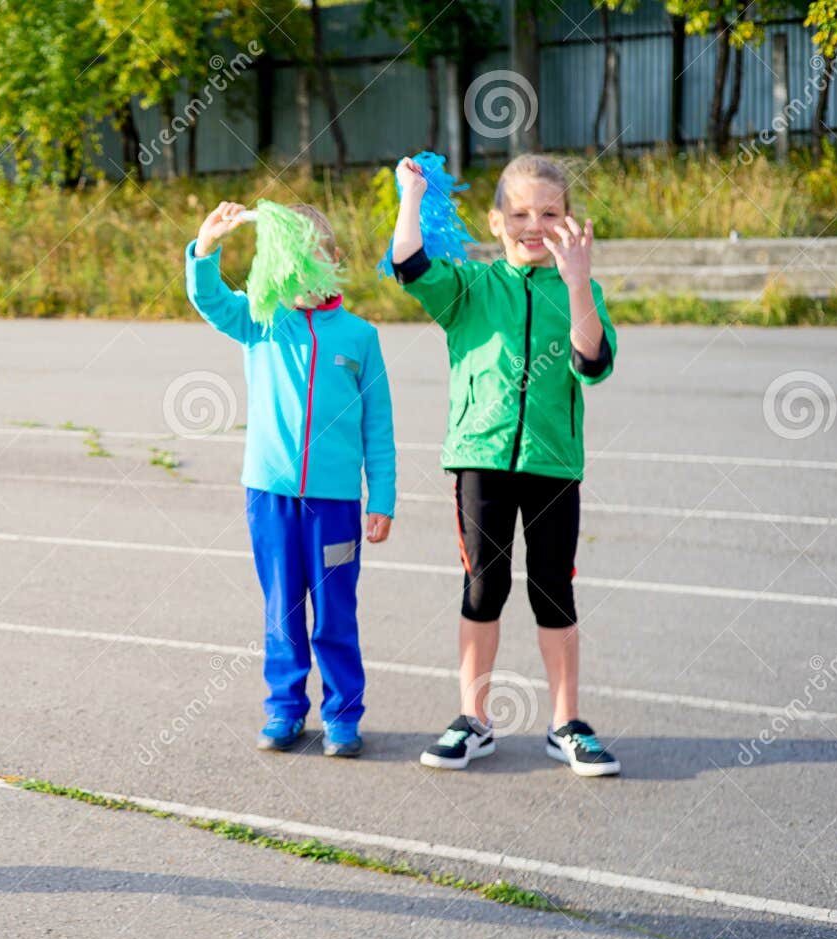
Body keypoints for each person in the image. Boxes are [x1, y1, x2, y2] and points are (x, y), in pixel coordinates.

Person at [388, 152, 621, 776]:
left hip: (552, 463)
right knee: (483, 585)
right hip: (479, 460)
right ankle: (473, 720)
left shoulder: (584, 289)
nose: (533, 224)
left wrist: (577, 284)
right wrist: (411, 194)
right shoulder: (470, 286)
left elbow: (592, 363)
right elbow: (408, 262)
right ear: (495, 222)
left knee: (553, 589)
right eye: (518, 213)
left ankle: (566, 723)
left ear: (570, 221)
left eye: (549, 212)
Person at [186, 200, 396, 757]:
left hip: (335, 504)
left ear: (333, 261)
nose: (300, 273)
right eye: (289, 261)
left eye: (312, 258)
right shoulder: (261, 321)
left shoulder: (359, 337)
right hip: (269, 495)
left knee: (334, 611)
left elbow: (378, 426)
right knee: (281, 607)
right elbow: (208, 299)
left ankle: (343, 715)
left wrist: (384, 497)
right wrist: (207, 247)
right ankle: (284, 709)